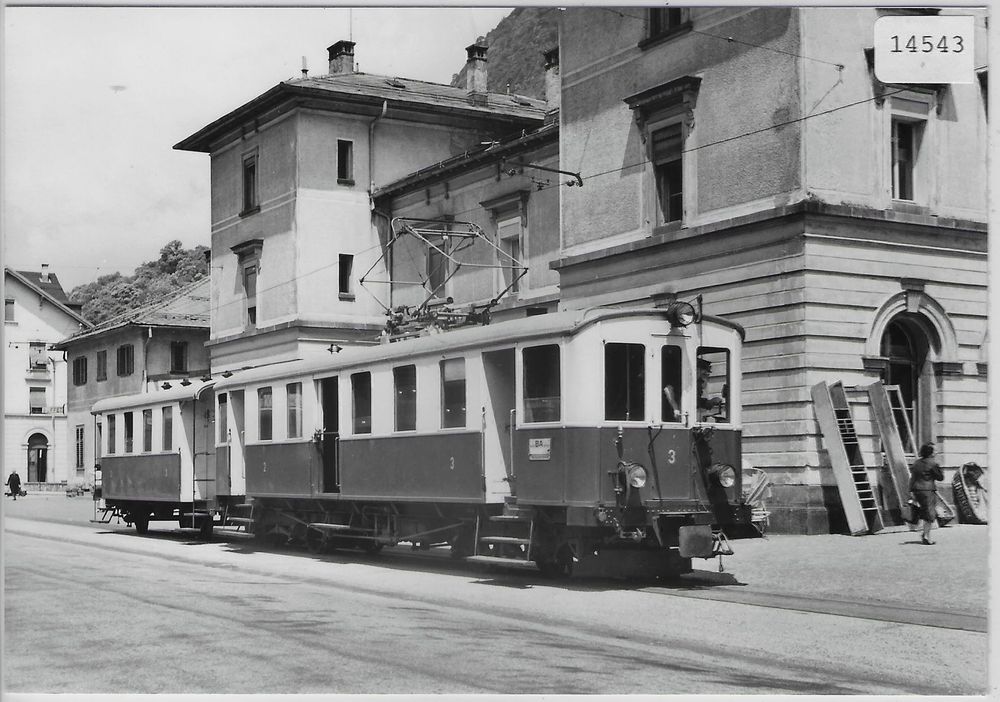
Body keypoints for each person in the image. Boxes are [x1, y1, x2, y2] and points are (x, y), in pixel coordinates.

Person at [909, 442, 944, 545]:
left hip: (916, 490)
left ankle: (925, 534)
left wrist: (911, 491)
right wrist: (938, 468)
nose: (936, 452)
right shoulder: (933, 463)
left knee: (924, 512)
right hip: (927, 490)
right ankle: (926, 536)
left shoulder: (916, 463)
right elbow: (940, 478)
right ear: (930, 453)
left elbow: (912, 478)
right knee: (929, 514)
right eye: (935, 450)